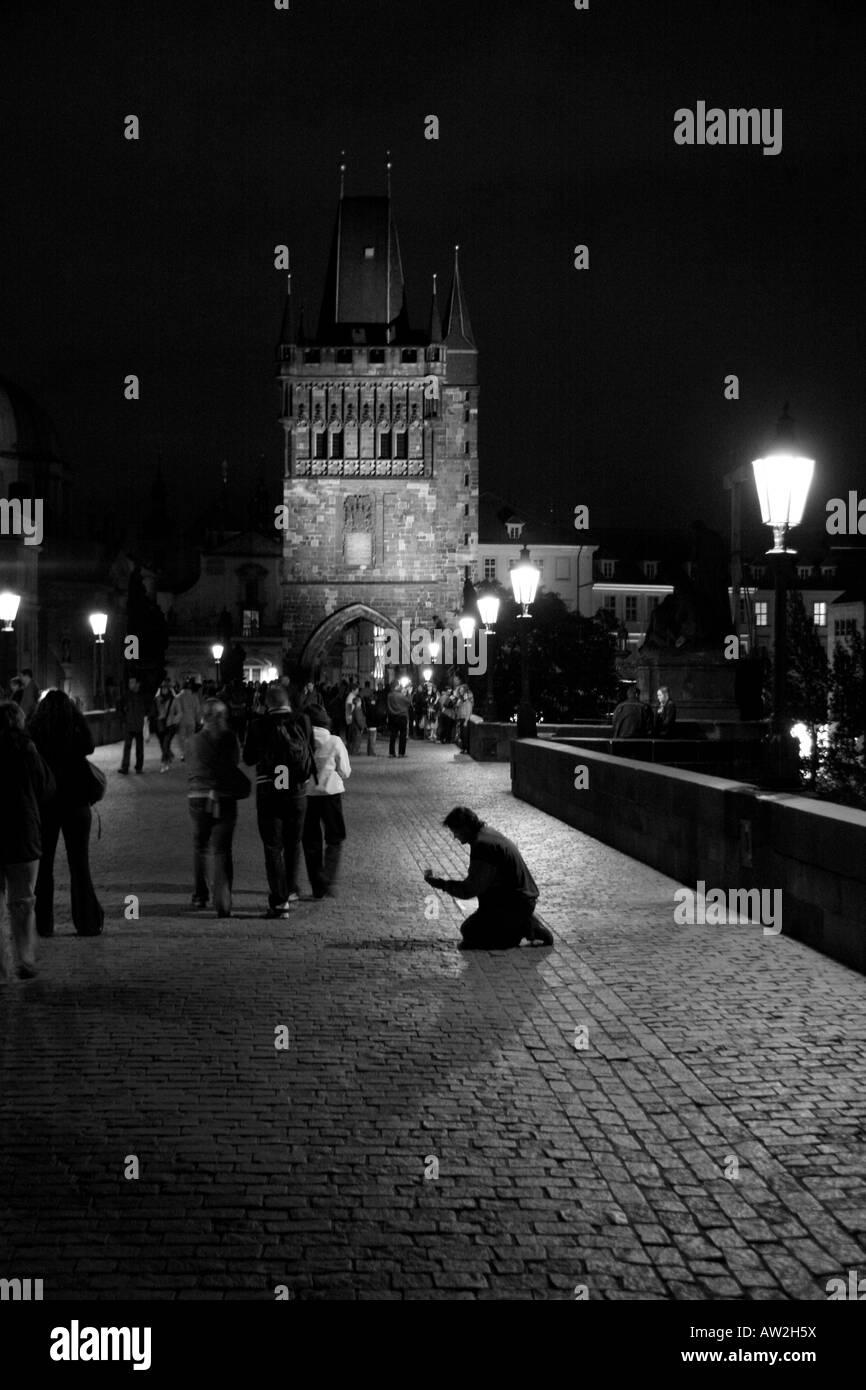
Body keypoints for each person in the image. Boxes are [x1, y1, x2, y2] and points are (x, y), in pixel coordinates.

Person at [28, 690, 105, 938]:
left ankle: (43, 924)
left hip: (47, 803)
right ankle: (87, 923)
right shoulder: (74, 725)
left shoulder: (37, 729)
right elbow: (90, 746)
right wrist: (77, 716)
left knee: (44, 865)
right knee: (79, 864)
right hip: (76, 802)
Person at [424, 806, 553, 949]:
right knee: (474, 926)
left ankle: (524, 927)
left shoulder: (483, 846)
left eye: (455, 831)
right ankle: (521, 923)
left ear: (465, 828)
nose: (455, 836)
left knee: (470, 932)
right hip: (518, 897)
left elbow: (471, 888)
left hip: (515, 903)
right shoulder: (487, 834)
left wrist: (442, 884)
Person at [243, 685, 315, 919]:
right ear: (287, 702)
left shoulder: (258, 724)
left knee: (273, 847)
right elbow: (310, 750)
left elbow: (249, 758)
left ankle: (279, 901)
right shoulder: (302, 720)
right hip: (296, 791)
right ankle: (291, 889)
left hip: (269, 789)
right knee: (293, 844)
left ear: (267, 704)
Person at [0, 700, 55, 980]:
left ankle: (1, 967)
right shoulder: (27, 748)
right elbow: (46, 787)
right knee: (23, 901)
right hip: (22, 832)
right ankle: (25, 958)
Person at [186, 698, 245, 917]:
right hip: (223, 797)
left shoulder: (193, 740)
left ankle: (201, 895)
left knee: (200, 846)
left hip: (197, 796)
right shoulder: (229, 738)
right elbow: (235, 763)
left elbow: (190, 766)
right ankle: (223, 900)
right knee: (222, 849)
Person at [302, 706, 351, 899]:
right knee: (335, 838)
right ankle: (327, 877)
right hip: (331, 794)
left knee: (311, 841)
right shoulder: (334, 741)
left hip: (309, 794)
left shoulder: (303, 740)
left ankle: (316, 885)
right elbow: (345, 771)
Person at [117, 676, 148, 774]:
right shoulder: (126, 696)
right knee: (127, 747)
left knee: (139, 748)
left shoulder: (142, 696)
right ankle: (125, 767)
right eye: (129, 682)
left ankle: (139, 767)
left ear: (138, 684)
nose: (130, 684)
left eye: (132, 682)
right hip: (129, 725)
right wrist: (123, 719)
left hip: (139, 725)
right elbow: (119, 707)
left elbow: (148, 708)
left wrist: (146, 717)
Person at [167, 679, 201, 762]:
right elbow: (198, 710)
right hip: (192, 720)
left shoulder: (178, 697)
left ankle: (183, 753)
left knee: (182, 738)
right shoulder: (194, 697)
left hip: (181, 721)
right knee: (191, 737)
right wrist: (198, 720)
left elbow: (174, 709)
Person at [152, 680, 176, 772]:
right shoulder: (157, 699)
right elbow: (153, 711)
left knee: (165, 744)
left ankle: (164, 763)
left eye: (166, 688)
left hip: (170, 725)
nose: (164, 690)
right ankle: (168, 756)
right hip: (160, 725)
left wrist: (174, 720)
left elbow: (179, 712)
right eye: (163, 688)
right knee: (163, 745)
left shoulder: (174, 699)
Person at [387, 679, 411, 757]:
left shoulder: (389, 695)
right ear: (396, 686)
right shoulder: (400, 695)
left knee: (393, 735)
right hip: (401, 716)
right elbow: (408, 702)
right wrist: (409, 693)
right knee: (402, 735)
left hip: (392, 716)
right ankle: (401, 753)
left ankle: (391, 753)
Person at [455, 683, 475, 754]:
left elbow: (469, 710)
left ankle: (466, 749)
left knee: (465, 735)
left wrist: (466, 721)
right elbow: (458, 709)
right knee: (462, 735)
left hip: (465, 719)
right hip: (461, 718)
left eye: (461, 690)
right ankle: (464, 748)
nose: (460, 691)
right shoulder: (461, 700)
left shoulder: (468, 701)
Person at [361, 681, 379, 755]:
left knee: (370, 737)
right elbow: (373, 714)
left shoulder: (362, 693)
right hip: (372, 723)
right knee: (372, 737)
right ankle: (371, 752)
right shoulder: (372, 705)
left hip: (368, 721)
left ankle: (369, 751)